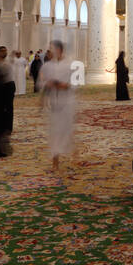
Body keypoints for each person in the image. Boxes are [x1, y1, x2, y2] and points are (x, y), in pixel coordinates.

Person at [40, 41, 77, 171]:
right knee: (54, 132)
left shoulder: (70, 64)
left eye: (52, 49)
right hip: (54, 104)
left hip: (67, 103)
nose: (49, 51)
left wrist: (64, 85)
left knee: (65, 131)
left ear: (59, 49)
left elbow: (75, 83)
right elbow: (42, 82)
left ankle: (71, 152)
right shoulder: (48, 66)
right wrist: (46, 88)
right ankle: (55, 161)